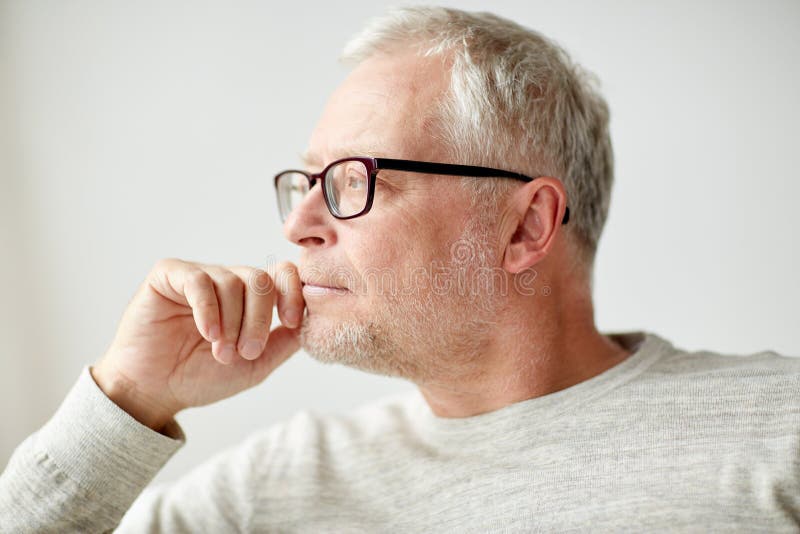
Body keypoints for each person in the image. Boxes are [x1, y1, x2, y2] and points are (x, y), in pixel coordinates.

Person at [1, 6, 798, 532]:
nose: (298, 224)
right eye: (306, 181)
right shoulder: (273, 490)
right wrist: (127, 401)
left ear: (525, 227)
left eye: (353, 182)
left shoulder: (778, 434)